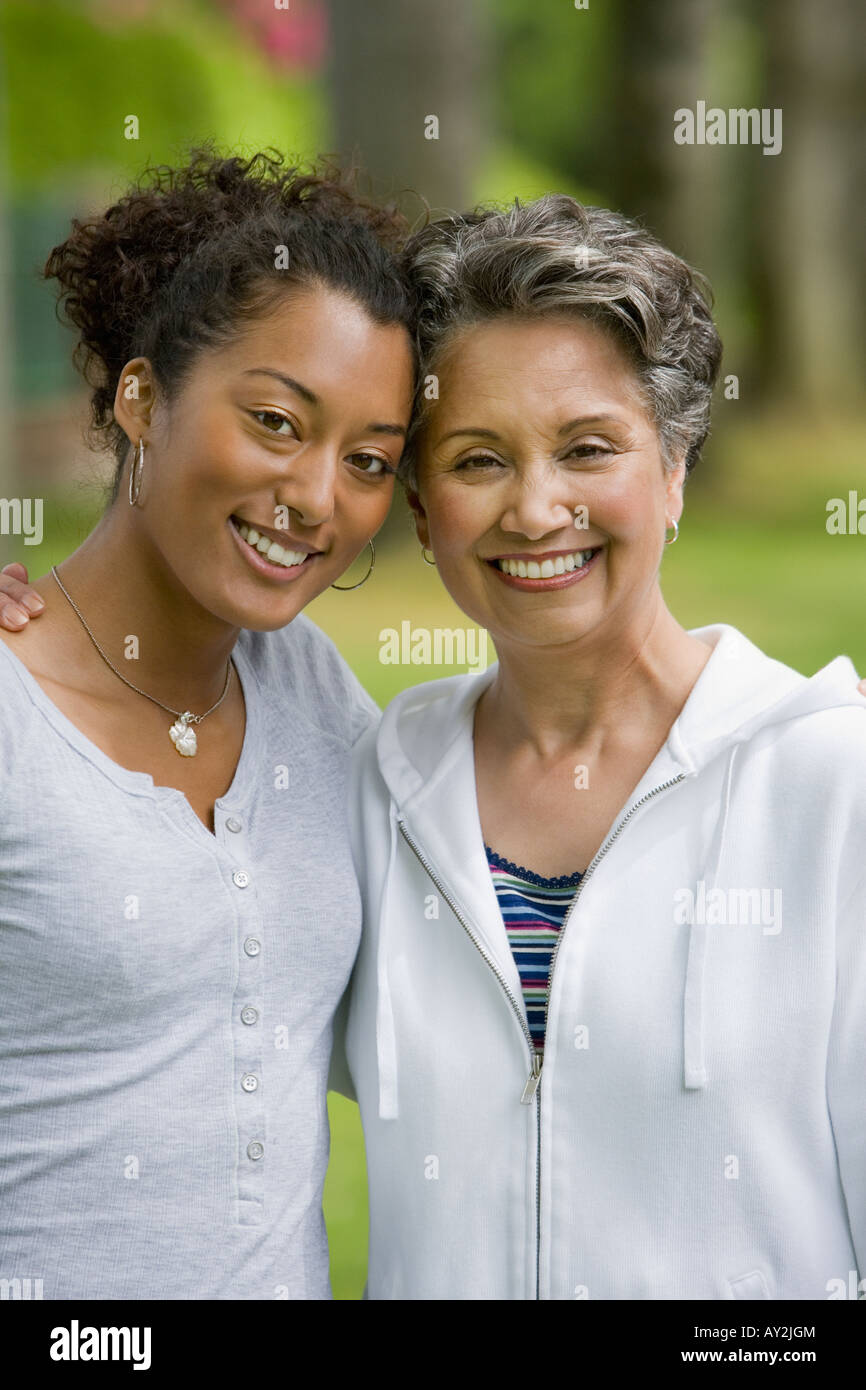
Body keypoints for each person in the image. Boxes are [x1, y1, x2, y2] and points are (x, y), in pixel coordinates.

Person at [334, 196, 866, 1299]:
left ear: (671, 472)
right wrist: (59, 631)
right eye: (477, 460)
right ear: (422, 511)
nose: (535, 510)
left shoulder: (833, 783)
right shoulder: (368, 787)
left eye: (587, 449)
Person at [0, 146, 414, 1299]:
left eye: (370, 460)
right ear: (141, 398)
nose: (319, 498)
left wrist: (781, 733)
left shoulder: (312, 692)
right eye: (278, 421)